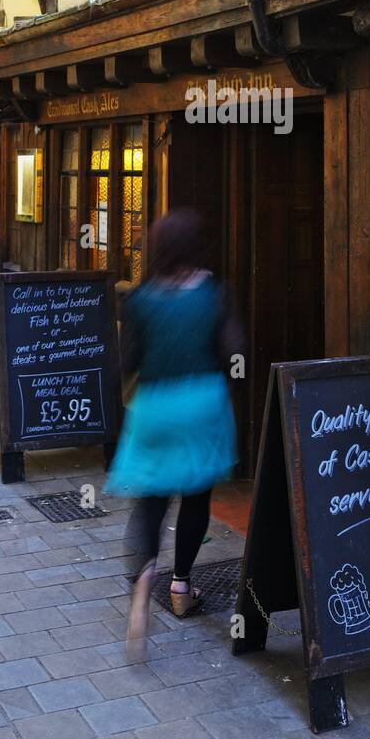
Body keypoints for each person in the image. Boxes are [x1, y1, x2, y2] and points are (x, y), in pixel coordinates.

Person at [104, 208, 243, 658]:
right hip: (201, 402)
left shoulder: (142, 298)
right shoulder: (214, 293)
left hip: (155, 406)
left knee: (150, 503)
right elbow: (234, 351)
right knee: (197, 497)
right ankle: (182, 585)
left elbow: (128, 362)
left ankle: (144, 586)